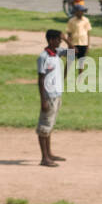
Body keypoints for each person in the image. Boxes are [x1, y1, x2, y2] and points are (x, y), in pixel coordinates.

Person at [37, 29, 66, 166]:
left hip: (57, 94)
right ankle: (44, 158)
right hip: (48, 96)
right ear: (51, 40)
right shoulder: (44, 57)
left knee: (50, 125)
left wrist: (66, 39)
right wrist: (43, 100)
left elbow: (74, 52)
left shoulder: (57, 53)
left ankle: (49, 153)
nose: (60, 42)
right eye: (58, 39)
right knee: (44, 127)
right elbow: (41, 79)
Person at [64, 2, 92, 68]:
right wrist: (69, 45)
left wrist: (88, 45)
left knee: (81, 63)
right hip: (73, 44)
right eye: (80, 11)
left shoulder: (86, 20)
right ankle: (64, 76)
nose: (82, 13)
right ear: (76, 12)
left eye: (82, 11)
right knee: (69, 62)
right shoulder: (71, 21)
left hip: (83, 44)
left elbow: (88, 34)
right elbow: (69, 34)